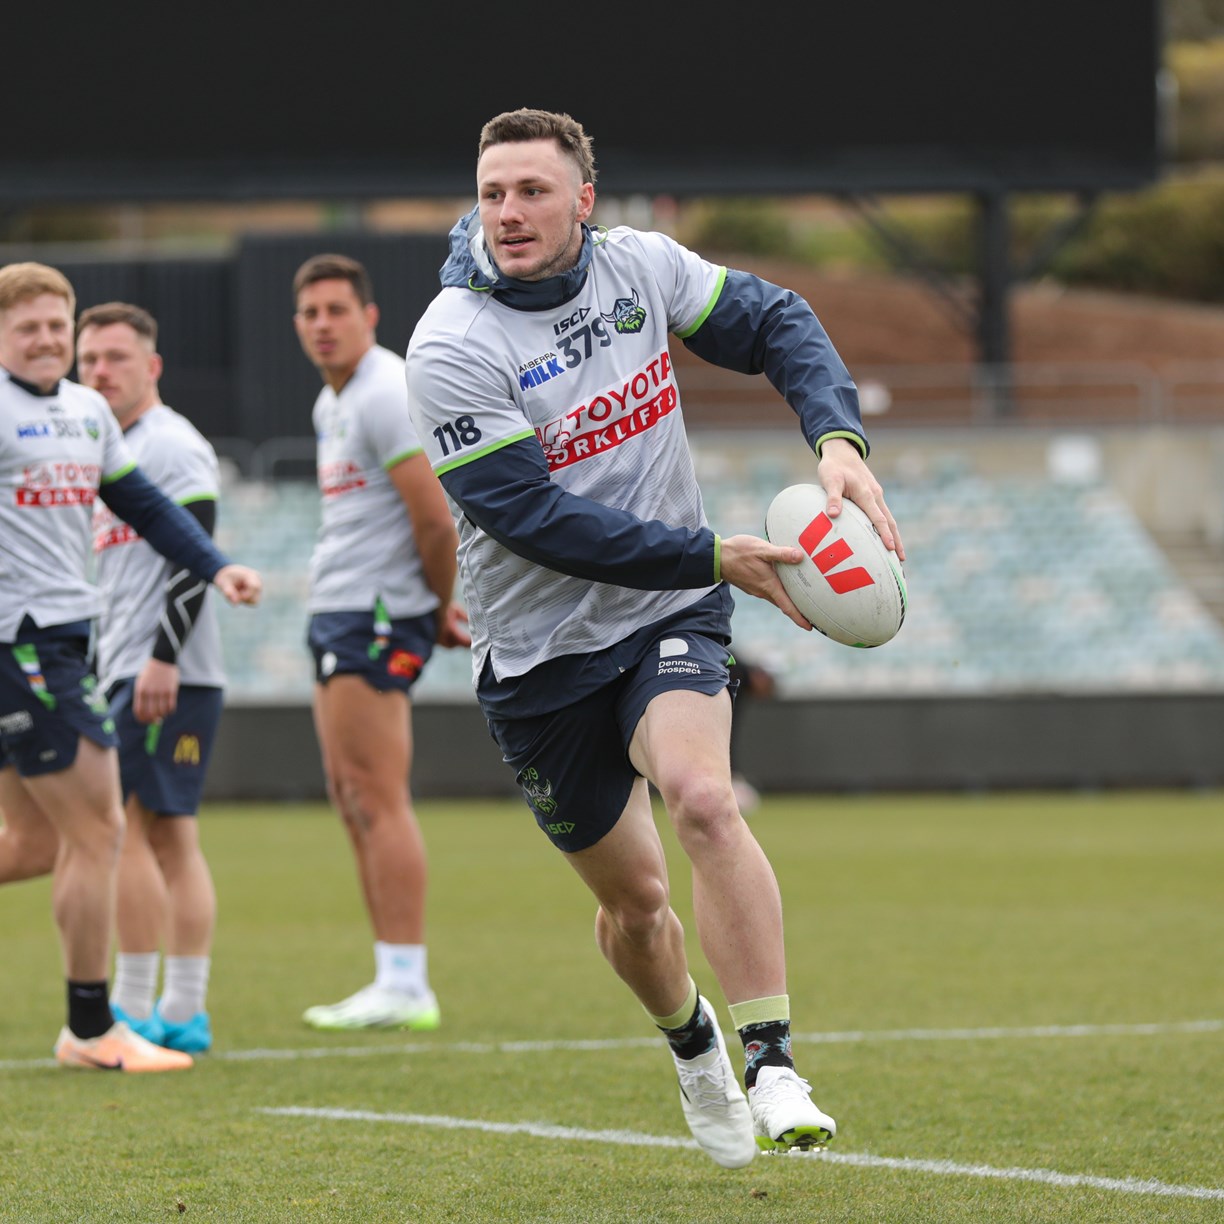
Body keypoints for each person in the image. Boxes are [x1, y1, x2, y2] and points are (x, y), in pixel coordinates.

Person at [403, 109, 905, 1167]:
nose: (509, 213)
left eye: (533, 191)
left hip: (668, 610)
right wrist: (708, 554)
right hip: (540, 659)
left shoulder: (638, 267)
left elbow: (775, 321)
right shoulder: (451, 343)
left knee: (706, 799)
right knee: (637, 911)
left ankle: (772, 1063)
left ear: (585, 198)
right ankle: (693, 1042)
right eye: (493, 193)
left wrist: (839, 440)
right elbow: (529, 518)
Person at [0, 262, 261, 1072]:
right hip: (27, 644)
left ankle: (96, 1023)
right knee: (104, 829)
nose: (45, 340)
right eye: (27, 327)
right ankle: (89, 1028)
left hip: (66, 642)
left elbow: (144, 507)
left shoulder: (84, 413)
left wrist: (217, 567)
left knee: (39, 842)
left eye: (55, 325)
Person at [292, 253, 470, 1032]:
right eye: (310, 313)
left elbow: (432, 516)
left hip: (375, 614)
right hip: (341, 610)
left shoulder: (384, 391)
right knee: (349, 796)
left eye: (337, 310)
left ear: (369, 316)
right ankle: (390, 973)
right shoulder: (332, 403)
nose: (323, 324)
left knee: (376, 794)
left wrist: (436, 607)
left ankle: (407, 980)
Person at [74, 302, 226, 1055]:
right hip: (135, 666)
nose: (99, 372)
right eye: (89, 360)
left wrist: (164, 657)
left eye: (115, 358)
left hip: (164, 671)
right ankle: (178, 1009)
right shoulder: (118, 448)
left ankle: (138, 1005)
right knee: (161, 834)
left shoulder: (169, 446)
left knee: (133, 829)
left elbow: (198, 553)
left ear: (152, 366)